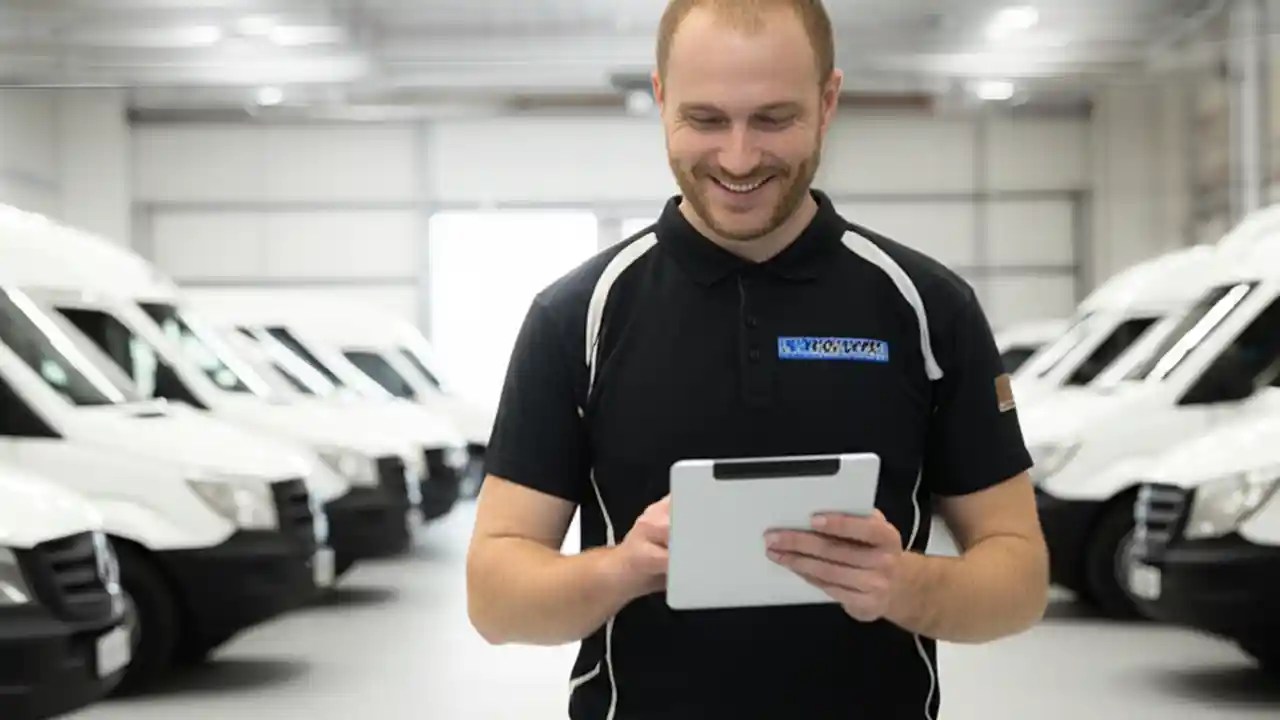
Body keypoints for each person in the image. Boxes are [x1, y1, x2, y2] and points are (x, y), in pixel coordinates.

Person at [466, 0, 1050, 717]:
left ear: (828, 100)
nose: (738, 159)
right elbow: (495, 596)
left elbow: (1019, 578)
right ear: (660, 99)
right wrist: (625, 568)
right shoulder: (576, 317)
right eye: (706, 120)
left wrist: (904, 585)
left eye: (773, 119)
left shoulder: (927, 307)